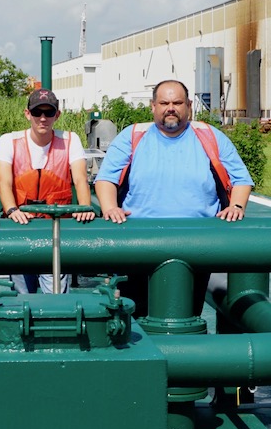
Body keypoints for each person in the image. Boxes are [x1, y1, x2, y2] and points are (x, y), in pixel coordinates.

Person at [94, 79, 254, 318]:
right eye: (164, 102)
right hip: (138, 244)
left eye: (177, 102)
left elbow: (241, 179)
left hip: (197, 246)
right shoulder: (134, 136)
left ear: (189, 105)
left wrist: (237, 206)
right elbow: (106, 178)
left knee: (187, 315)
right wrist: (110, 208)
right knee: (134, 317)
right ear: (153, 106)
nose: (171, 108)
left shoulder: (209, 136)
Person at [0, 88, 96, 292]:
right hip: (20, 228)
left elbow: (80, 178)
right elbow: (3, 182)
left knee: (55, 291)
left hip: (55, 230)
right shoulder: (9, 141)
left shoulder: (70, 140)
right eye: (37, 112)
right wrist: (13, 210)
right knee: (22, 292)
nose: (42, 118)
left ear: (57, 115)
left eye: (49, 113)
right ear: (27, 114)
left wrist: (85, 207)